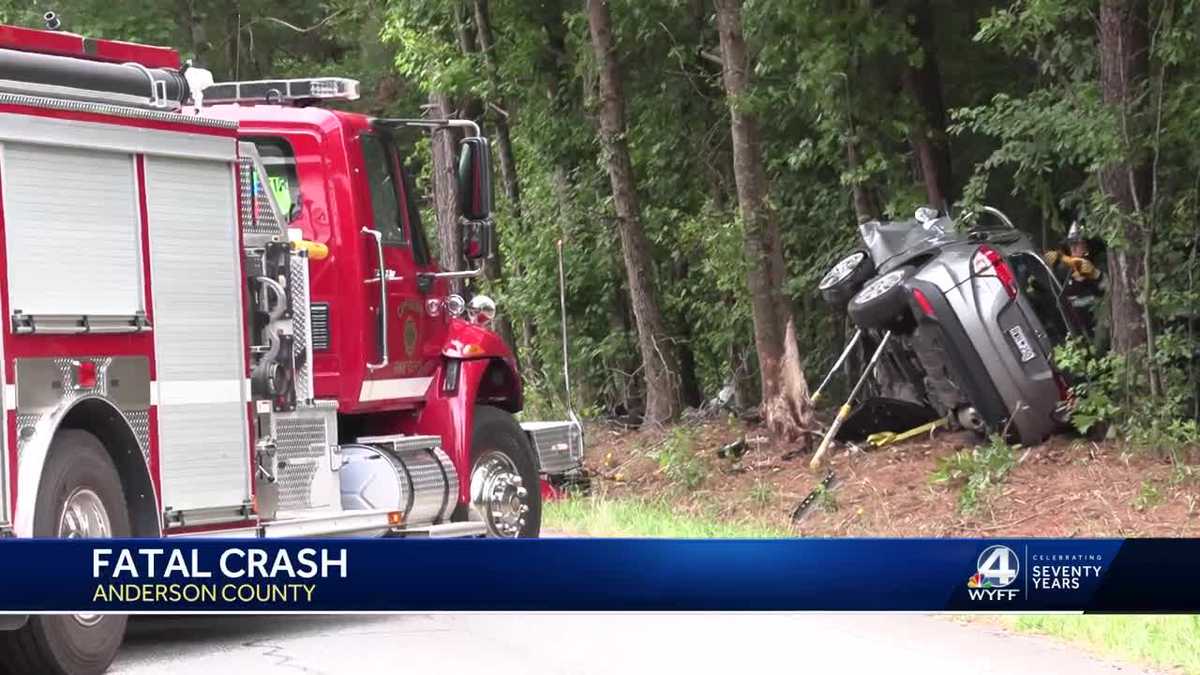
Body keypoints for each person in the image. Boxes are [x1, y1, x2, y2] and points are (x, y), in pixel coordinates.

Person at [1044, 221, 1106, 336]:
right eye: (1072, 244)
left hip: (1096, 321)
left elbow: (1103, 289)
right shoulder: (1064, 269)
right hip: (1075, 327)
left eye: (1078, 244)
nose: (1074, 248)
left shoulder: (1094, 264)